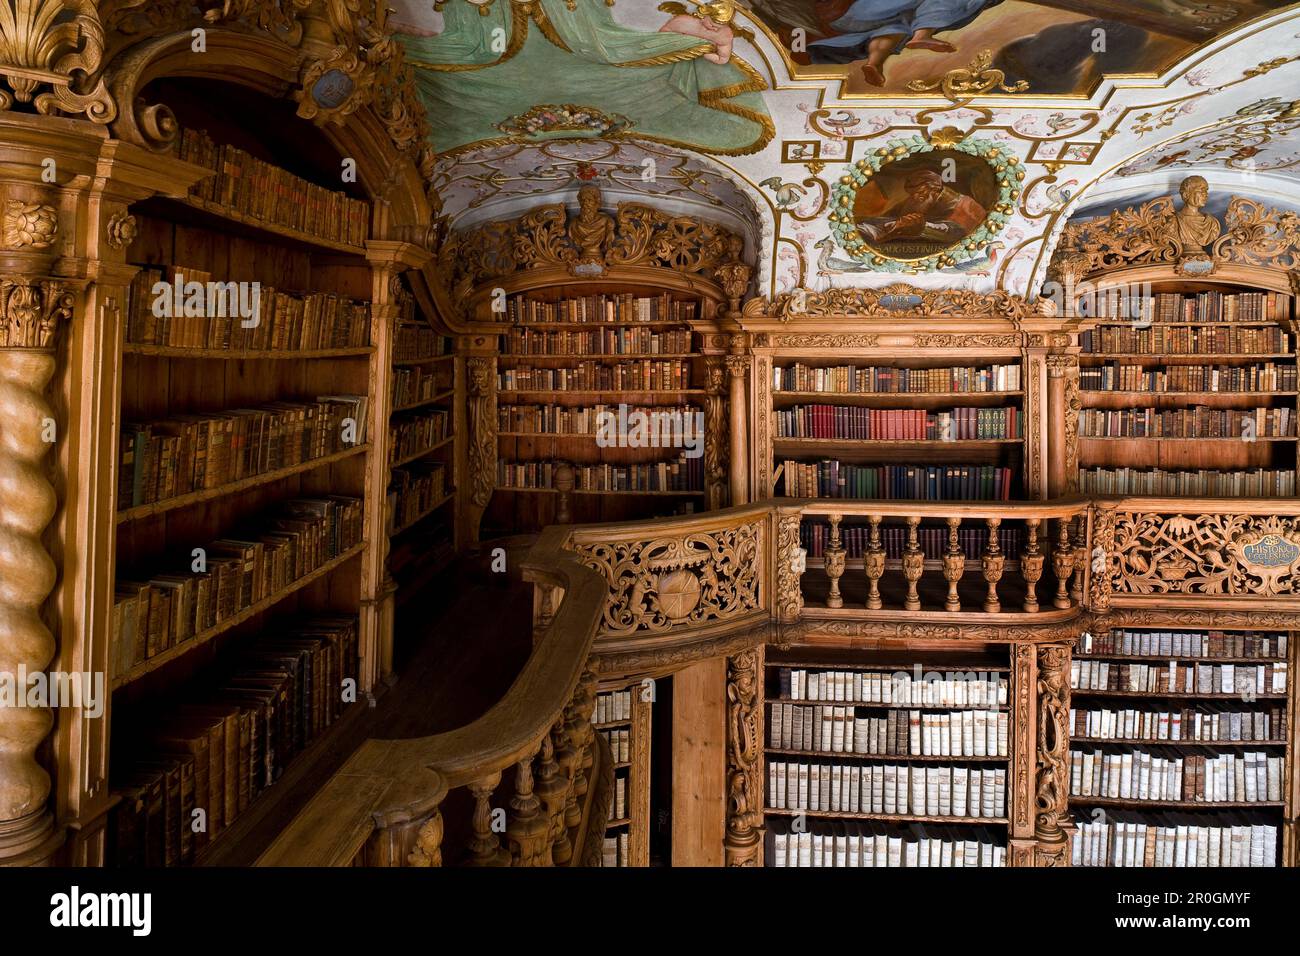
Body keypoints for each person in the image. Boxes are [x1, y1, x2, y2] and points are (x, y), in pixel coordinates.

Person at [809, 0, 1001, 87]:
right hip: (868, 7)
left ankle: (874, 63)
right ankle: (922, 33)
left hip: (853, 15)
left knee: (895, 29)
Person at [858, 168, 986, 245]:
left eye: (918, 194)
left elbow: (968, 236)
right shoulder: (918, 199)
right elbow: (888, 218)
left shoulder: (966, 206)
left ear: (935, 191)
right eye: (912, 194)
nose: (913, 198)